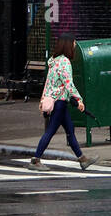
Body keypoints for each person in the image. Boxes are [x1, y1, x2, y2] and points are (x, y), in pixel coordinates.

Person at [31, 36, 94, 170]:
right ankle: (36, 160)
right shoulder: (65, 62)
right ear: (68, 45)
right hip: (59, 103)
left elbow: (48, 83)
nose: (75, 46)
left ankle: (83, 159)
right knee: (50, 131)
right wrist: (79, 99)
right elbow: (69, 84)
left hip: (58, 102)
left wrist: (43, 99)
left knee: (70, 130)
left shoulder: (53, 61)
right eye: (73, 43)